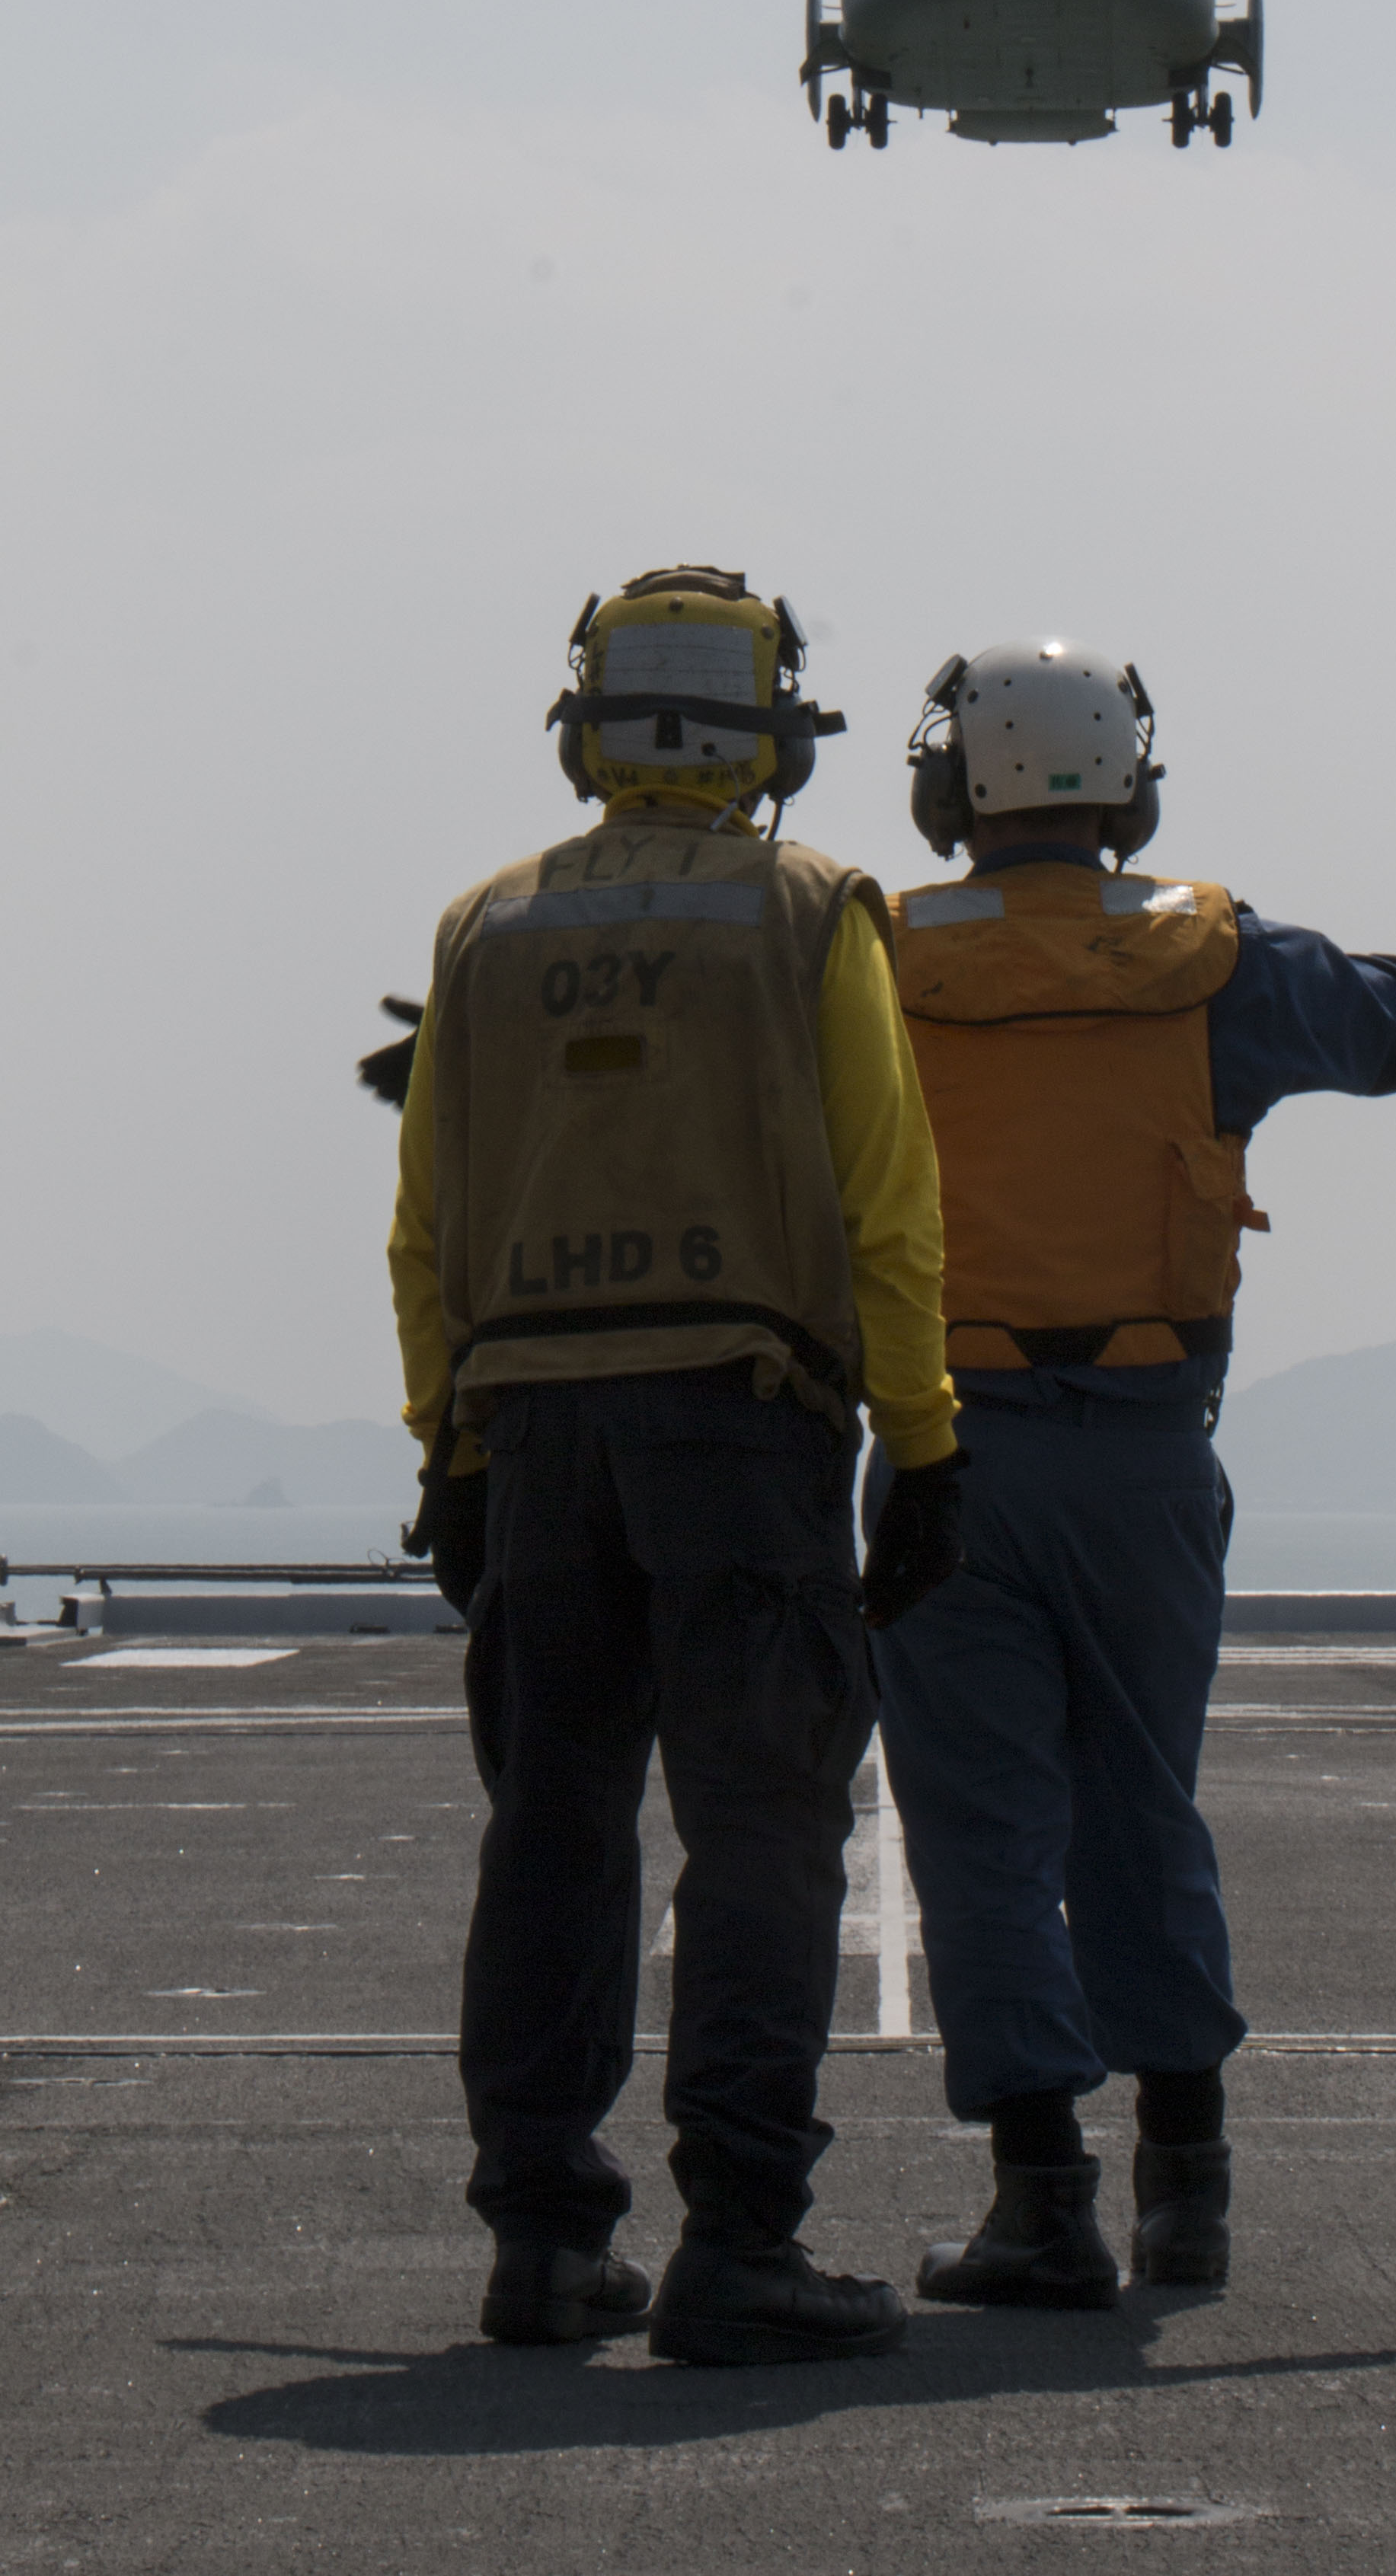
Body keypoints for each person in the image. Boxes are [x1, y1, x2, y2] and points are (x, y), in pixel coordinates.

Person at [871, 638, 1396, 2309]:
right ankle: (1189, 2185)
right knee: (1141, 1813)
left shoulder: (868, 968)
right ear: (1132, 787)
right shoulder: (1213, 965)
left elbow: (698, 1052)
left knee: (978, 1835)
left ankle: (1042, 2204)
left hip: (950, 1458)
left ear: (948, 792)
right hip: (1152, 1464)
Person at [382, 566, 968, 2367]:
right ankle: (743, 2241)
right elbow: (887, 1203)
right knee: (764, 1837)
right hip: (743, 1427)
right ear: (771, 728)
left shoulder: (484, 930)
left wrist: (449, 1449)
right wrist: (926, 1442)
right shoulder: (811, 914)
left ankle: (546, 2240)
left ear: (588, 725)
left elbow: (429, 1230)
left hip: (537, 1436)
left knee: (552, 1834)